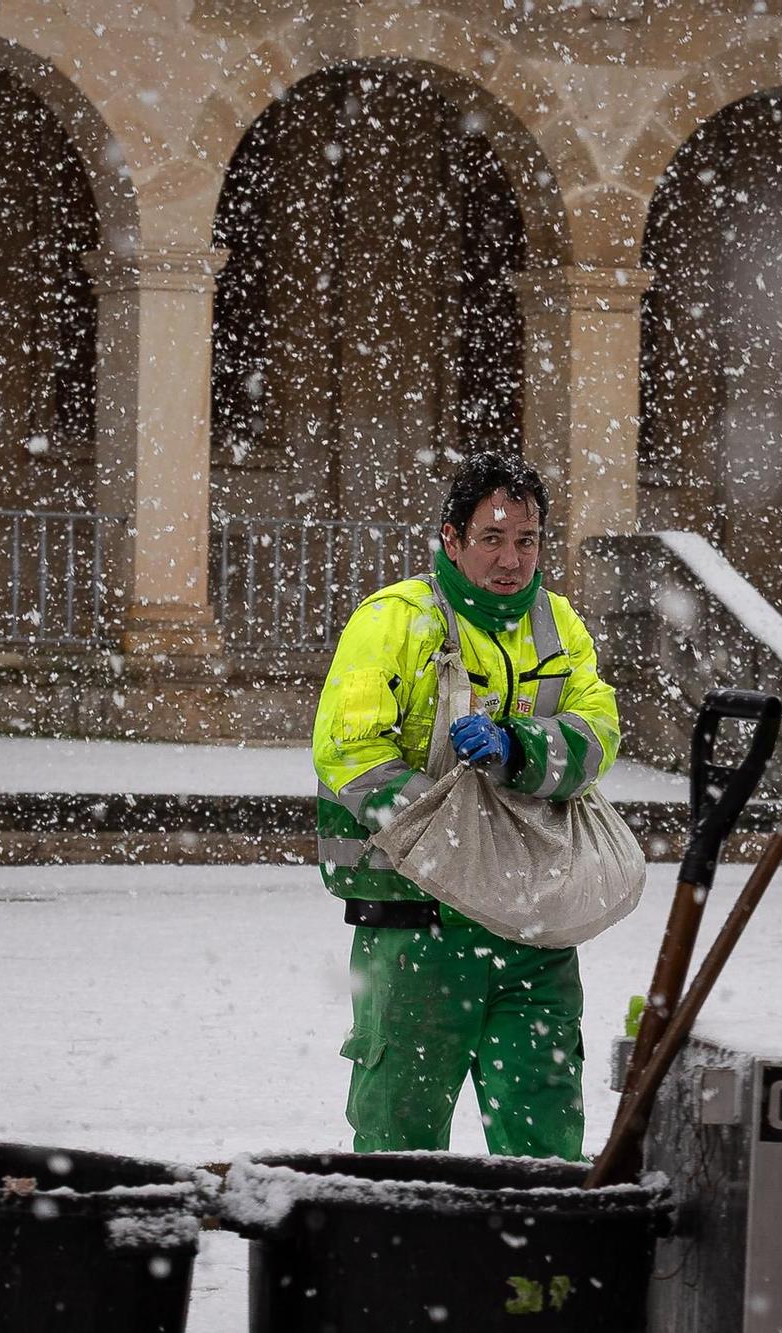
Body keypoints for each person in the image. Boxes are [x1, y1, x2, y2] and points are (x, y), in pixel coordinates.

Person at [311, 452, 620, 1159]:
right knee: (400, 1142)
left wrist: (523, 747)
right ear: (451, 539)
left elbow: (598, 728)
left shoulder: (559, 626)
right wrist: (454, 843)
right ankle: (398, 1269)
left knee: (545, 1140)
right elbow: (351, 752)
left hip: (530, 929)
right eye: (493, 539)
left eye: (527, 540)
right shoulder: (394, 620)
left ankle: (538, 1269)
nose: (512, 560)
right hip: (417, 929)